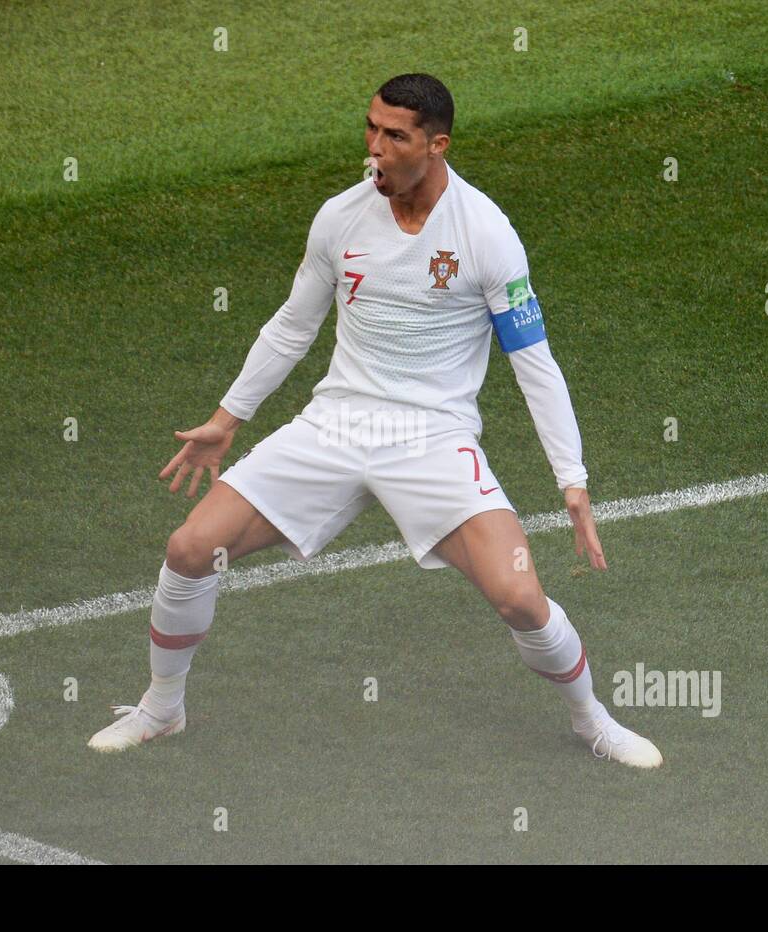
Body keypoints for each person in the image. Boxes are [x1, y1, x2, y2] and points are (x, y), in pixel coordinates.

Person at [89, 73, 661, 768]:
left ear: (437, 143)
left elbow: (533, 362)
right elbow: (291, 326)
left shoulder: (486, 233)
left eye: (395, 136)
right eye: (370, 128)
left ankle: (590, 719)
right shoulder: (340, 217)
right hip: (335, 422)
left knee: (517, 595)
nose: (374, 149)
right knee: (188, 547)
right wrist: (227, 418)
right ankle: (161, 708)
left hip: (432, 438)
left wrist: (572, 479)